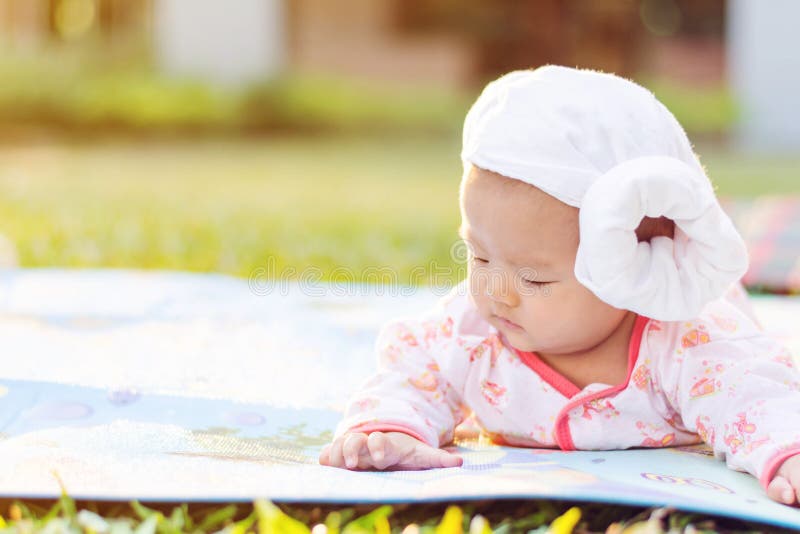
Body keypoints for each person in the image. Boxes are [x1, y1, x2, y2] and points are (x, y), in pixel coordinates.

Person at [318, 66, 800, 506]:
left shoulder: (686, 339)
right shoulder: (468, 331)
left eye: (533, 277)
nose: (496, 291)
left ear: (636, 271)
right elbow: (410, 371)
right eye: (480, 255)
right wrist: (387, 428)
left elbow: (754, 398)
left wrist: (787, 454)